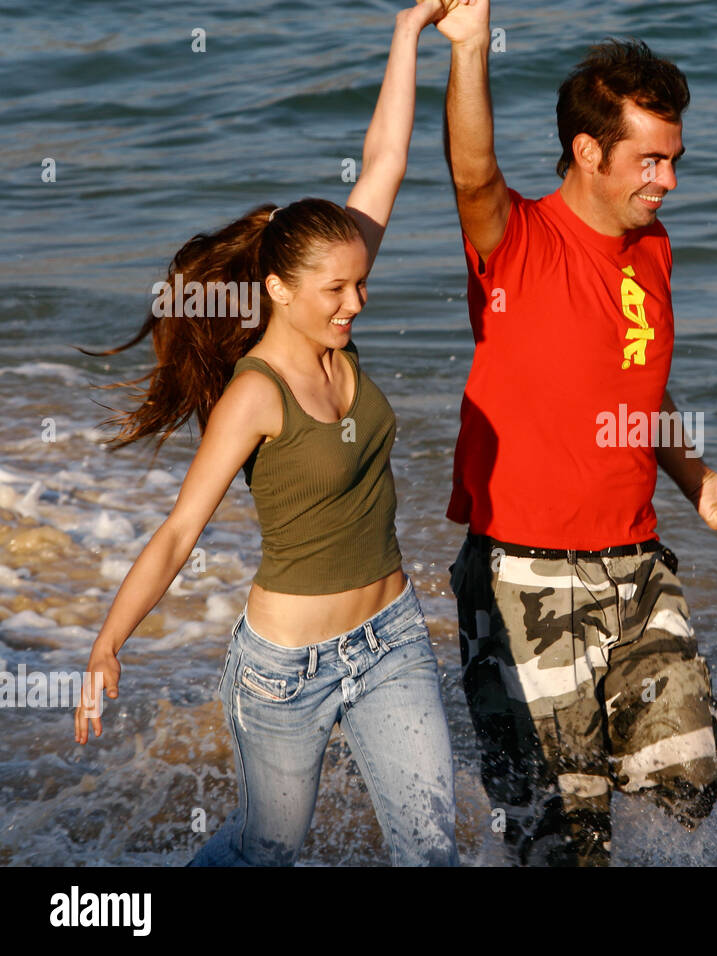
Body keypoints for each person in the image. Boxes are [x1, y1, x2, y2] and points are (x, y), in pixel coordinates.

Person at [73, 2, 459, 867]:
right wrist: (106, 643)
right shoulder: (255, 394)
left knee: (432, 852)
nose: (356, 304)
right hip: (285, 668)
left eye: (360, 285)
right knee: (264, 849)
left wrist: (409, 31)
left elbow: (388, 160)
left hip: (392, 635)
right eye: (336, 293)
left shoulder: (334, 297)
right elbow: (179, 532)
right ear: (280, 291)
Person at [433, 0, 717, 866]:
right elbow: (471, 171)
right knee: (564, 842)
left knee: (690, 766)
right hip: (522, 579)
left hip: (634, 562)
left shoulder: (653, 248)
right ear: (588, 152)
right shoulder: (518, 239)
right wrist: (470, 47)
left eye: (675, 161)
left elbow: (640, 383)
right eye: (650, 160)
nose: (668, 180)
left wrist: (699, 479)